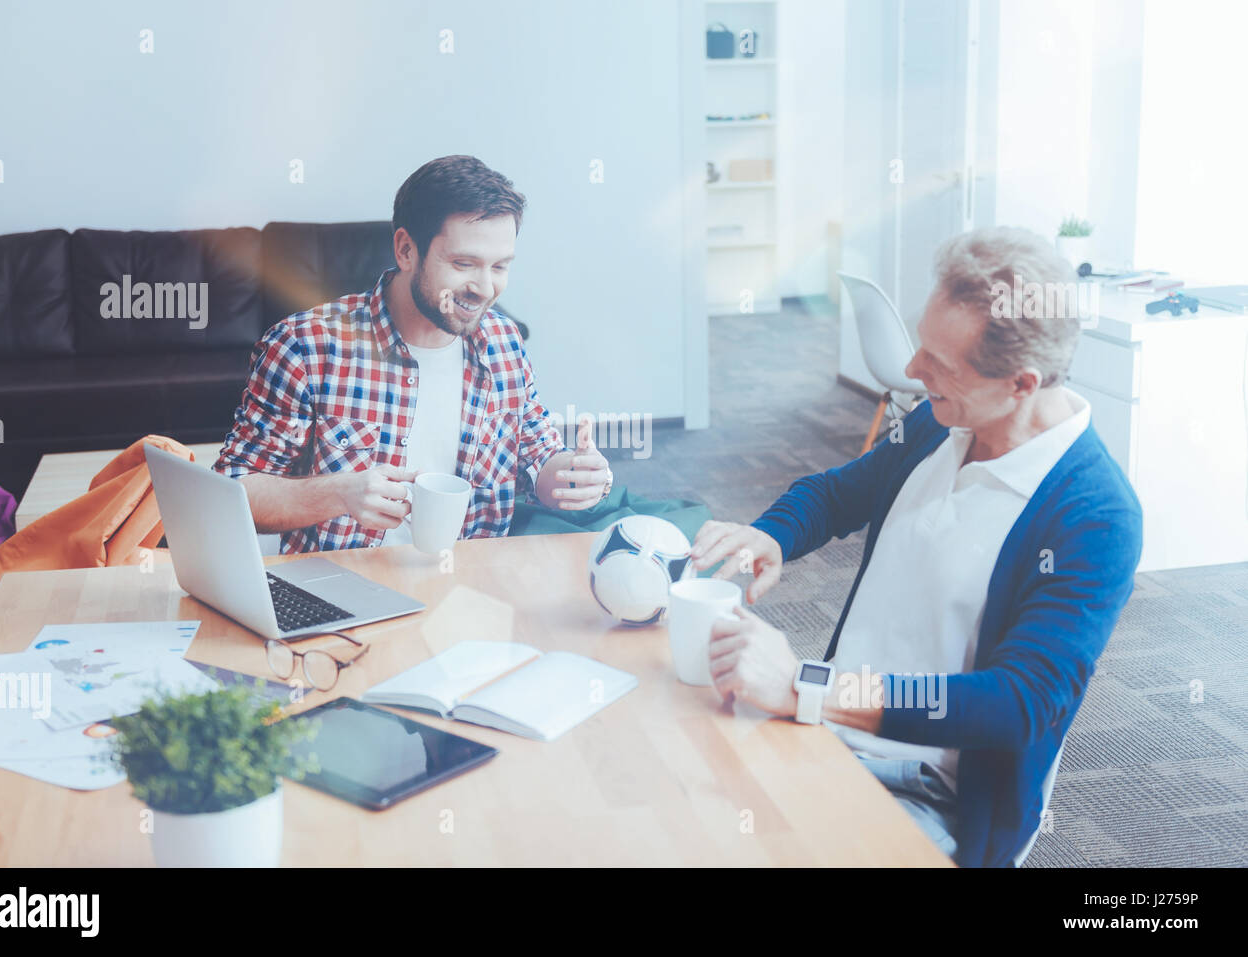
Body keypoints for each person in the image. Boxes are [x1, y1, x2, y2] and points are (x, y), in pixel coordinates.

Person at [690, 227, 1142, 866]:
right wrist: (773, 534)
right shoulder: (943, 420)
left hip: (933, 796)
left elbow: (1018, 703)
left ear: (1021, 383)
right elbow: (838, 494)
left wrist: (808, 688)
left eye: (940, 362)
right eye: (920, 343)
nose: (910, 369)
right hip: (824, 731)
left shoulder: (1094, 515)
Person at [215, 155, 612, 552]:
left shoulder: (505, 343)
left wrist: (571, 476)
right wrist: (338, 493)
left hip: (469, 588)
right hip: (344, 590)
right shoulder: (305, 346)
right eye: (463, 263)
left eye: (500, 267)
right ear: (406, 250)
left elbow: (537, 462)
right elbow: (233, 492)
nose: (485, 287)